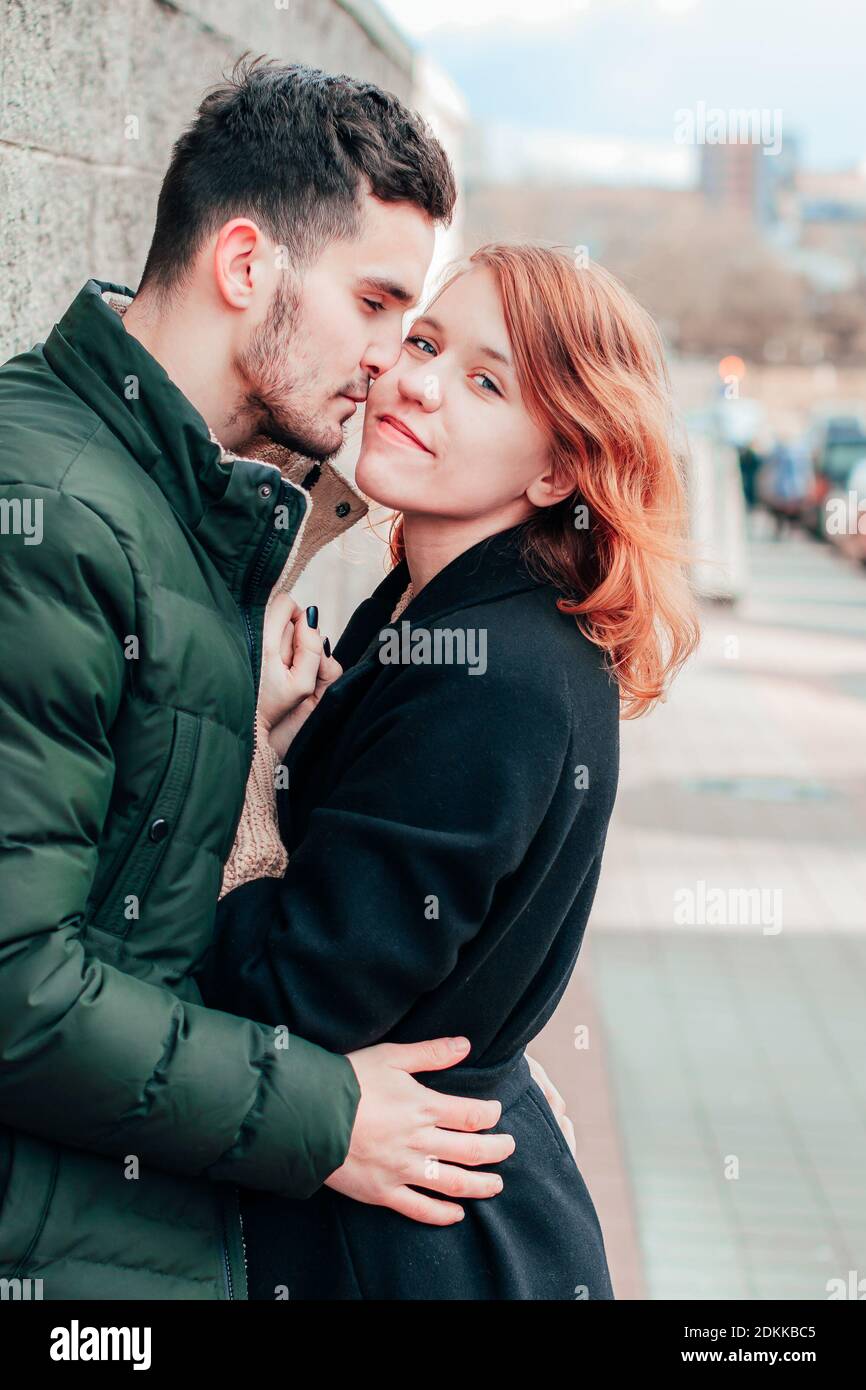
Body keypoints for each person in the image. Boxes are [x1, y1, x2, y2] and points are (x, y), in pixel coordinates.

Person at [0, 59, 519, 1300]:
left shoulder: (182, 499)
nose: (393, 364)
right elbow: (16, 984)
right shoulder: (56, 516)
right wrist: (328, 1111)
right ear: (246, 267)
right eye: (377, 302)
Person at [201, 242, 702, 1299]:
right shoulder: (435, 611)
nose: (417, 380)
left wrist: (244, 764)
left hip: (405, 1241)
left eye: (484, 381)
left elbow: (299, 991)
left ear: (556, 468)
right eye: (422, 340)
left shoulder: (497, 672)